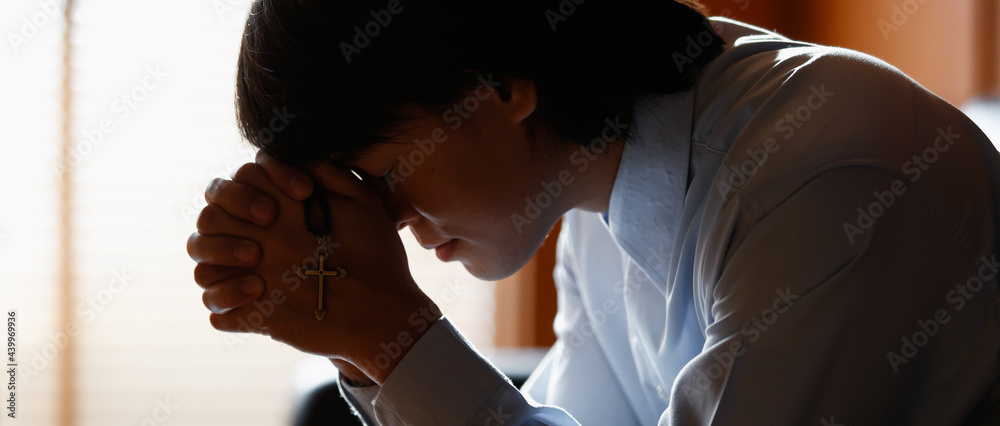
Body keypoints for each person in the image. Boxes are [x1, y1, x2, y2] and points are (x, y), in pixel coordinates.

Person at [186, 0, 1000, 424]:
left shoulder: (833, 171)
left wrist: (384, 335)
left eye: (382, 176)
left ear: (499, 86)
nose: (383, 223)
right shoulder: (600, 200)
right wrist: (367, 343)